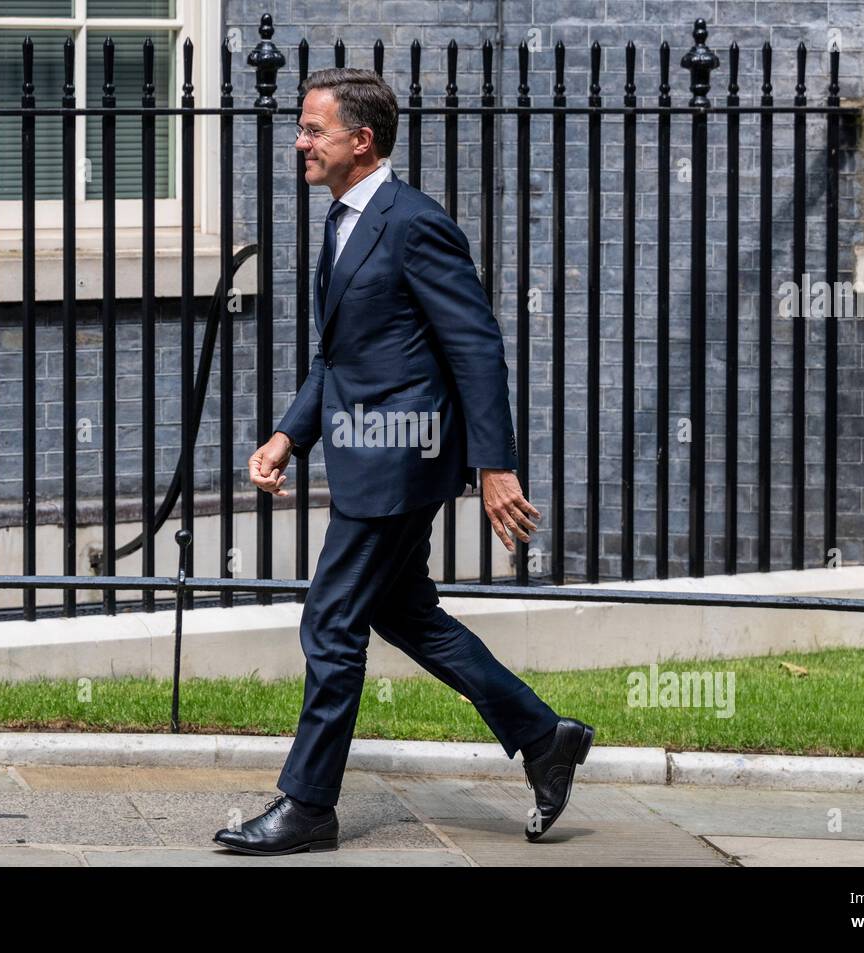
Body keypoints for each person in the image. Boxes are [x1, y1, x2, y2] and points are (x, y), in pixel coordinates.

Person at [213, 68, 594, 856]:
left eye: (314, 129)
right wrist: (291, 434)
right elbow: (344, 357)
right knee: (404, 612)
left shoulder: (413, 222)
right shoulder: (343, 221)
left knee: (331, 621)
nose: (299, 141)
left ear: (363, 140)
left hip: (398, 462)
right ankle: (542, 735)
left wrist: (496, 466)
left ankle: (309, 806)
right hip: (365, 452)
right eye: (301, 128)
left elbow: (476, 347)